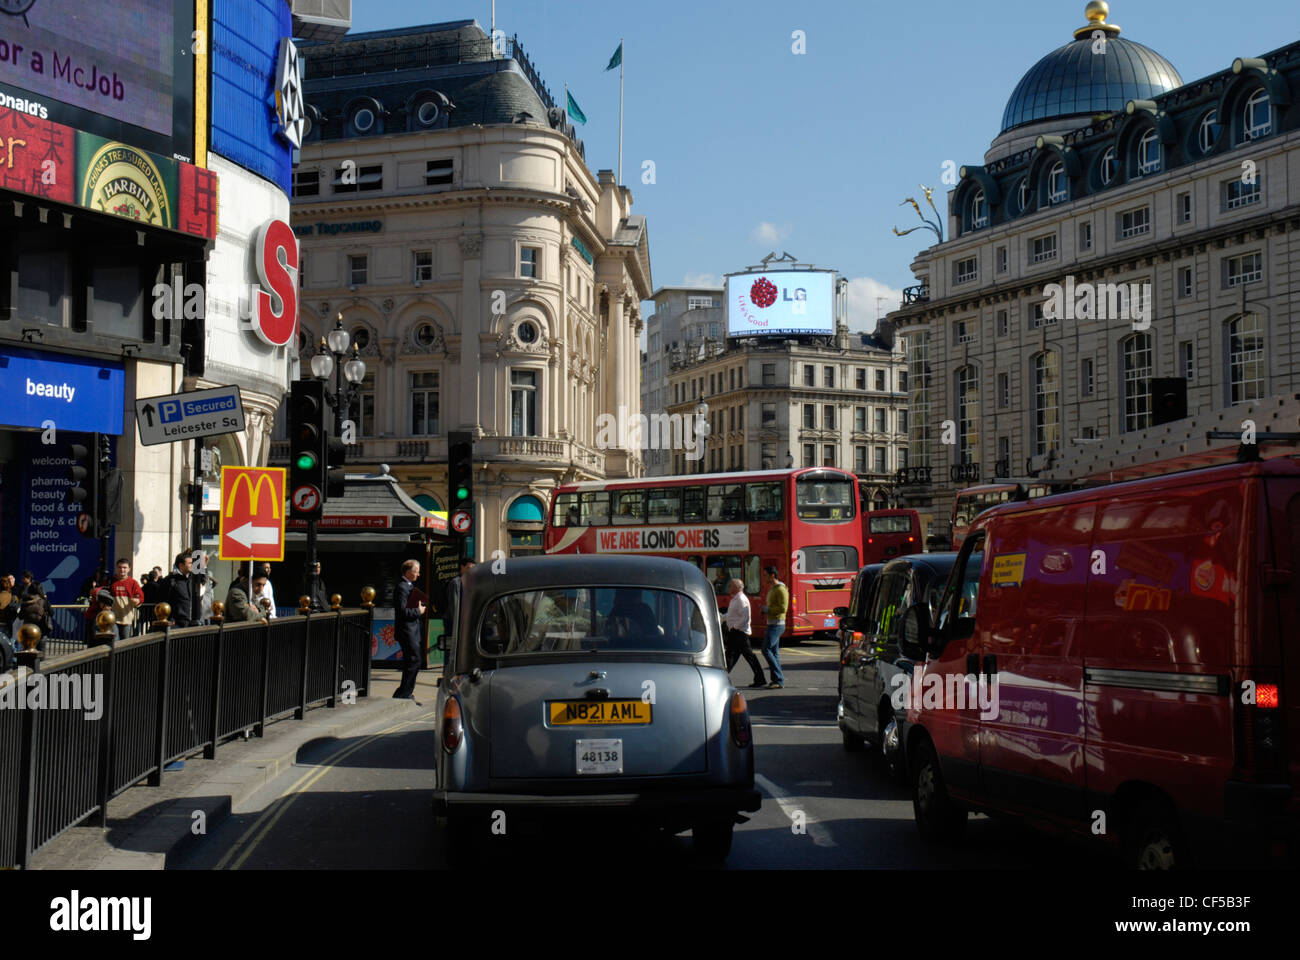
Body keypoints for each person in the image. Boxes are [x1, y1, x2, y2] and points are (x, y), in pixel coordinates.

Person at [722, 579, 766, 688]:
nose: (729, 588)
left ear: (737, 587)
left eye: (731, 586)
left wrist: (734, 628)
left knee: (734, 655)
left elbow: (746, 617)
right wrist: (721, 618)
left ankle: (722, 677)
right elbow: (731, 615)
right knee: (733, 655)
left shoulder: (742, 599)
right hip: (736, 632)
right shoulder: (735, 599)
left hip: (739, 633)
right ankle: (760, 678)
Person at [393, 559, 426, 700]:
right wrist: (418, 611)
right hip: (407, 631)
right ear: (408, 572)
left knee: (413, 661)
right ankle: (404, 693)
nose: (418, 574)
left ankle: (405, 693)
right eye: (416, 571)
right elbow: (403, 612)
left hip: (412, 631)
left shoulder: (409, 586)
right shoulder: (402, 587)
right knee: (414, 661)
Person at [760, 565, 787, 689]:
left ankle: (778, 679)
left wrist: (767, 609)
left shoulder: (781, 589)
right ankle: (777, 680)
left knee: (766, 650)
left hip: (777, 624)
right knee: (773, 652)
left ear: (772, 575)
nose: (764, 577)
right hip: (772, 623)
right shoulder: (773, 589)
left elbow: (783, 608)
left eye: (765, 575)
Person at [107, 558, 144, 640]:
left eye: (124, 567)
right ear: (116, 568)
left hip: (126, 619)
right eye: (119, 567)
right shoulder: (110, 581)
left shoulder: (133, 583)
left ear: (129, 569)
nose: (122, 570)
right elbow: (103, 594)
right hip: (113, 618)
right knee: (115, 641)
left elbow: (140, 597)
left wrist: (136, 600)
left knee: (125, 642)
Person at [165, 552, 205, 627]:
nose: (192, 565)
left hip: (196, 623)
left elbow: (198, 598)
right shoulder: (171, 581)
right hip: (179, 624)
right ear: (181, 565)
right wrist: (171, 619)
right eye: (190, 563)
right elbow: (165, 600)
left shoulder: (194, 580)